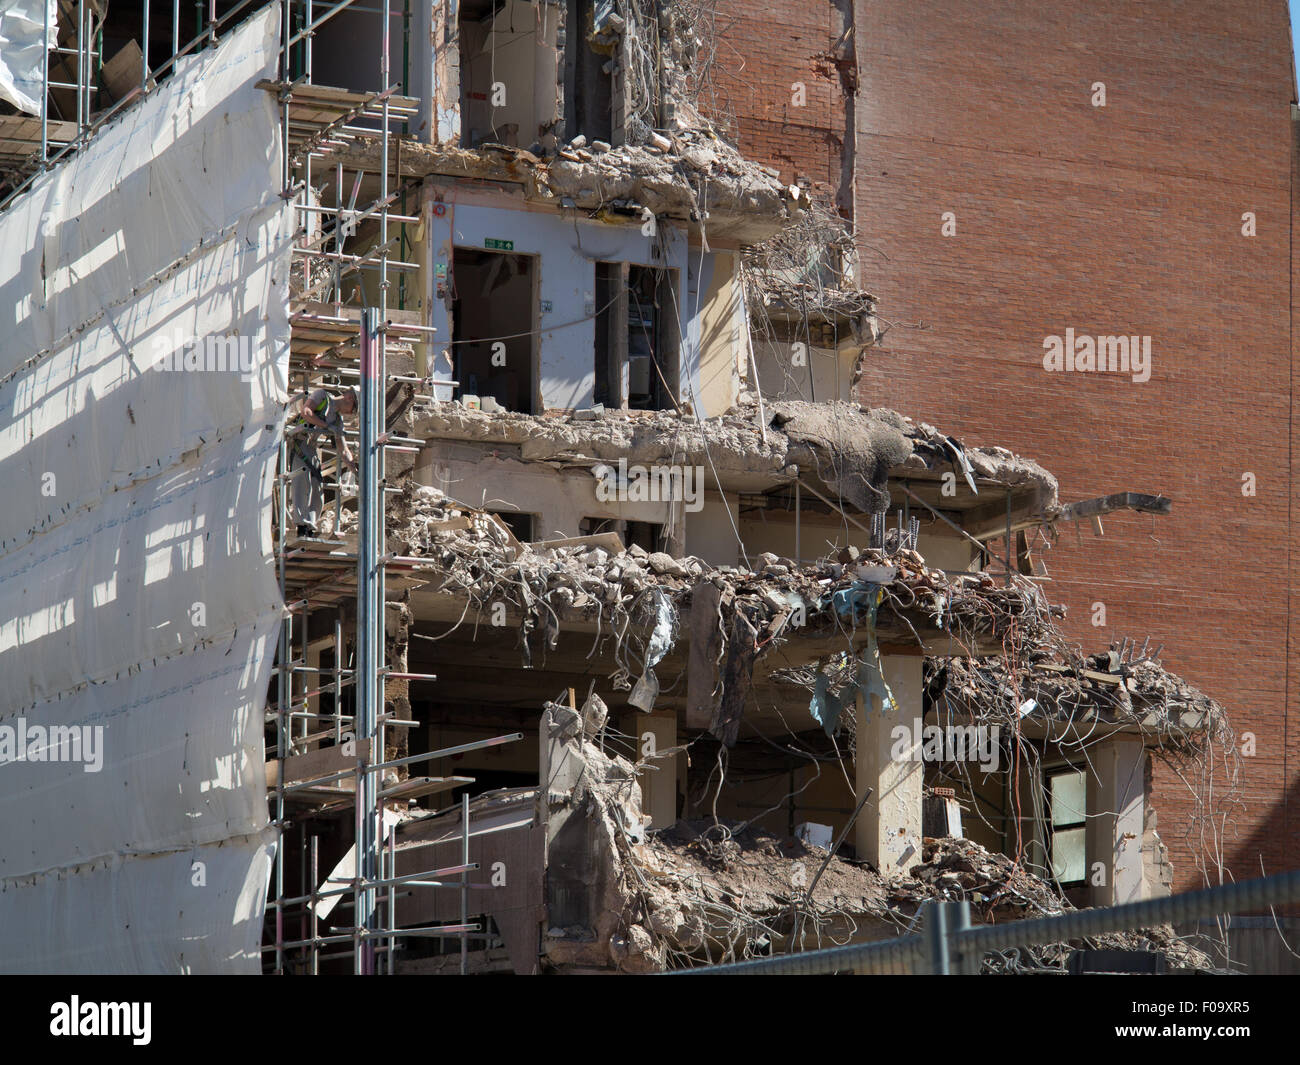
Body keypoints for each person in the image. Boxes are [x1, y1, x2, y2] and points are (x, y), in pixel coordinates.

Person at [288, 386, 358, 537]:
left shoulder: (337, 420)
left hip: (311, 448)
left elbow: (343, 448)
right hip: (299, 443)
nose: (351, 413)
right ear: (350, 398)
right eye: (353, 409)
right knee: (301, 481)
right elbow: (306, 412)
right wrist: (327, 426)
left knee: (317, 487)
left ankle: (310, 526)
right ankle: (301, 526)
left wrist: (353, 466)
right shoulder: (321, 396)